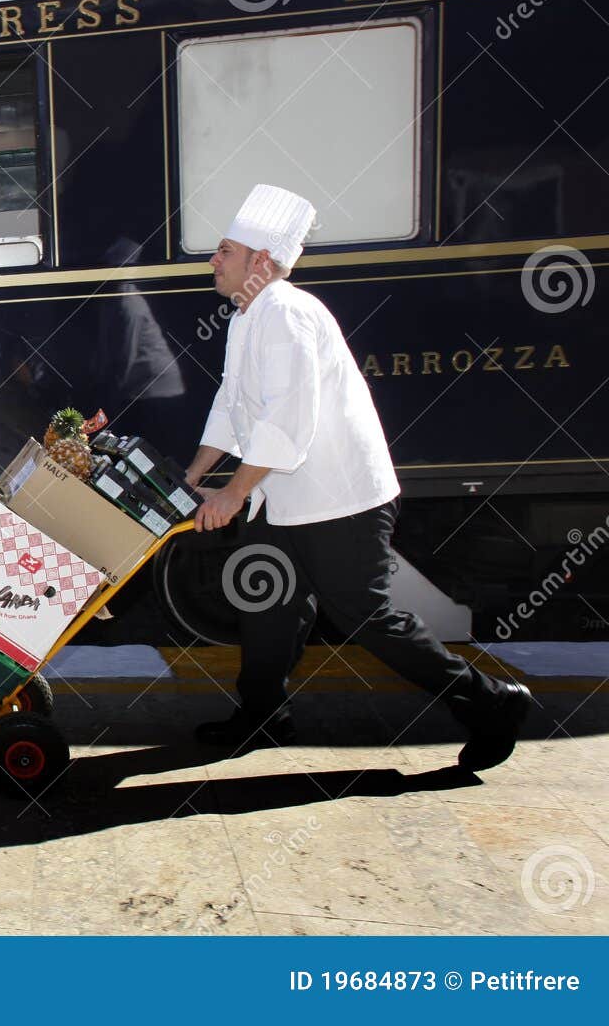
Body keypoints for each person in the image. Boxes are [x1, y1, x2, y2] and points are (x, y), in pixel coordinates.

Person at [181, 184, 531, 772]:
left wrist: (236, 491)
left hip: (337, 499)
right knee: (264, 600)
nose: (213, 261)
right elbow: (232, 404)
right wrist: (195, 474)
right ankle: (263, 713)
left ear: (260, 262)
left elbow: (287, 418)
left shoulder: (287, 313)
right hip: (286, 500)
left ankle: (492, 704)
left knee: (366, 616)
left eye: (224, 251)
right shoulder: (247, 317)